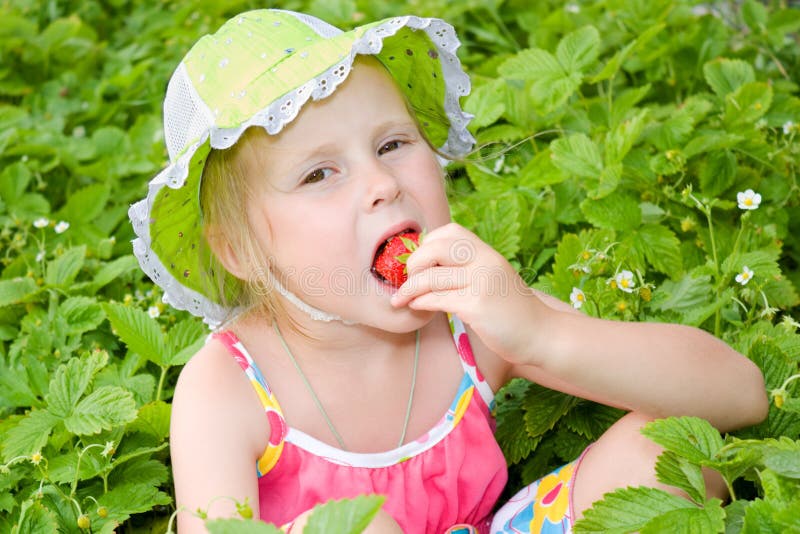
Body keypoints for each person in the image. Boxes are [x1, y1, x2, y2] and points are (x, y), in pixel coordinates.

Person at [128, 8, 768, 533]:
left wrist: (542, 333)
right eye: (319, 174)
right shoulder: (229, 388)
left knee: (668, 449)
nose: (382, 184)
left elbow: (740, 396)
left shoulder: (467, 318)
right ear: (240, 252)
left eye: (392, 145)